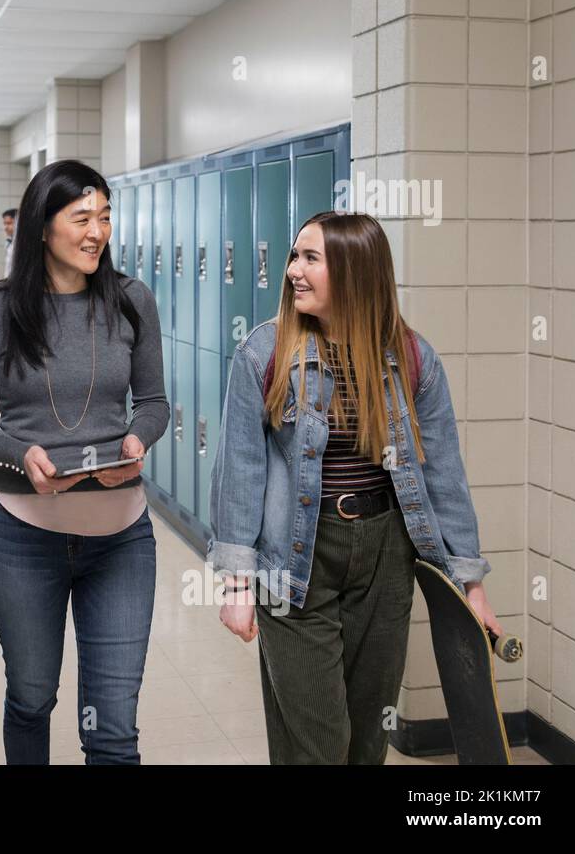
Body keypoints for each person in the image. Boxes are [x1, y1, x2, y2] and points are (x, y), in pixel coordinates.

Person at [209, 210, 500, 765]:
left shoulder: (414, 359)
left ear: (355, 272)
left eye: (310, 258)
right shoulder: (264, 353)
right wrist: (236, 585)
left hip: (386, 558)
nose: (293, 269)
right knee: (318, 744)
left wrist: (471, 586)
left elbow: (444, 476)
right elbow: (240, 472)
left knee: (368, 739)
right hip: (296, 559)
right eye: (295, 255)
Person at [0, 159, 170, 764]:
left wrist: (137, 441)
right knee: (31, 697)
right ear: (43, 228)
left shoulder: (132, 300)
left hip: (122, 538)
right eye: (81, 218)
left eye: (104, 217)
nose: (97, 231)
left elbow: (153, 403)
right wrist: (23, 454)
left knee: (114, 732)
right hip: (26, 539)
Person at [1, 207, 17, 277]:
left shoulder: (25, 243)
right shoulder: (9, 241)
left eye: (9, 223)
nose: (6, 227)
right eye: (4, 224)